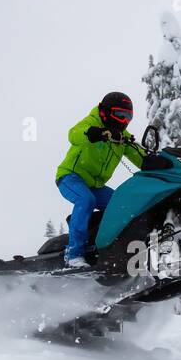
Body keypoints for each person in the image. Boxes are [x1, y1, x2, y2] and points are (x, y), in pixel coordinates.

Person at [54, 91, 144, 267]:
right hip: (70, 177)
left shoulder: (121, 137)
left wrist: (159, 162)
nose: (124, 120)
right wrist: (93, 133)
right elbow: (73, 134)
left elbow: (140, 157)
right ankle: (73, 255)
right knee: (86, 199)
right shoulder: (92, 123)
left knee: (122, 205)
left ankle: (104, 248)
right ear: (105, 112)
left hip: (95, 185)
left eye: (128, 117)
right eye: (120, 114)